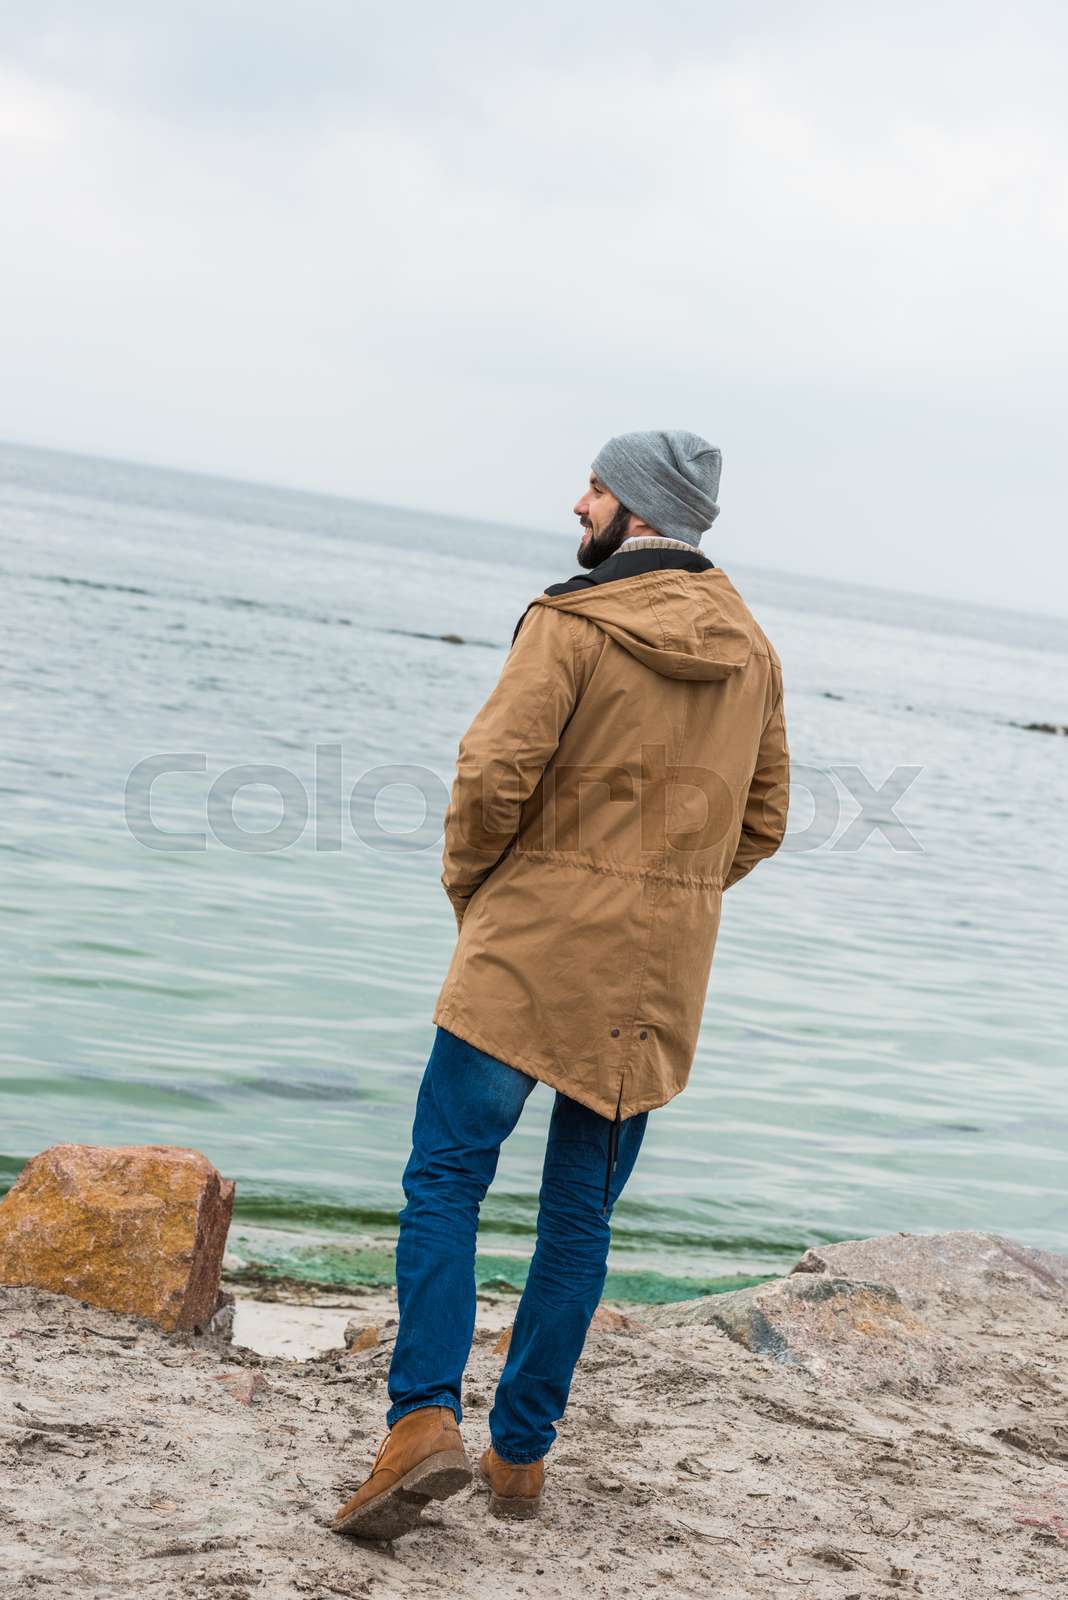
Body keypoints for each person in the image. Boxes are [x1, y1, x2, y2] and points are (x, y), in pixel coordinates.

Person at [332, 429, 789, 1540]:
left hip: (527, 948)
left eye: (592, 486)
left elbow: (491, 776)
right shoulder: (755, 652)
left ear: (633, 508)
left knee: (445, 1179)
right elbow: (763, 820)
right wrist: (671, 893)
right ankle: (521, 1457)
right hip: (655, 978)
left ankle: (422, 1420)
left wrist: (480, 891)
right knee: (577, 1219)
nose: (575, 501)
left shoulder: (570, 619)